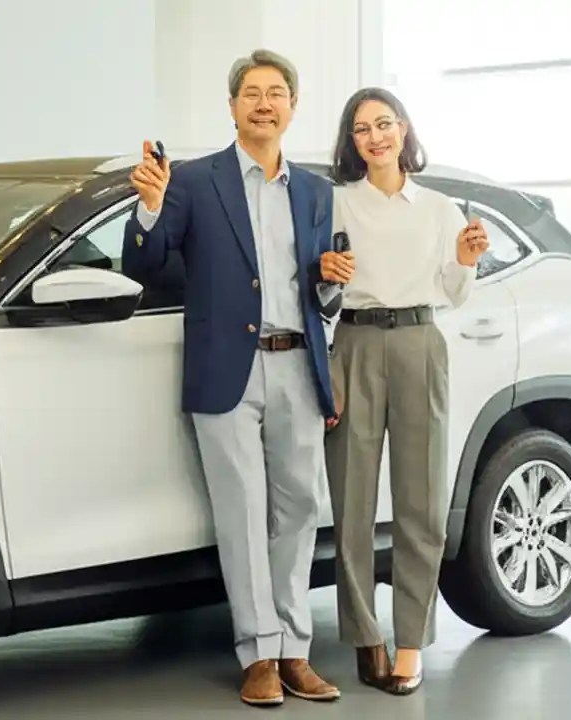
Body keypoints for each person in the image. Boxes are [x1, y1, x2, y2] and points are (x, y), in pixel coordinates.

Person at [121, 49, 354, 707]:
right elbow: (146, 263)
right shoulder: (195, 181)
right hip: (227, 369)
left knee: (299, 512)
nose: (264, 102)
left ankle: (295, 651)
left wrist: (333, 285)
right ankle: (257, 652)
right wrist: (149, 206)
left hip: (297, 365)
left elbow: (322, 291)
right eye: (251, 92)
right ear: (232, 107)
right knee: (242, 514)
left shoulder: (314, 192)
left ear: (292, 106)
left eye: (276, 91)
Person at [324, 87, 489, 696]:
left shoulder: (439, 209)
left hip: (420, 343)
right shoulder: (336, 204)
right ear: (351, 141)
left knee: (420, 504)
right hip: (356, 345)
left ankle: (410, 645)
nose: (376, 136)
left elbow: (452, 291)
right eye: (362, 128)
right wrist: (322, 272)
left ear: (404, 129)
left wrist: (467, 259)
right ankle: (366, 636)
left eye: (384, 124)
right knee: (351, 505)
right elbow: (317, 286)